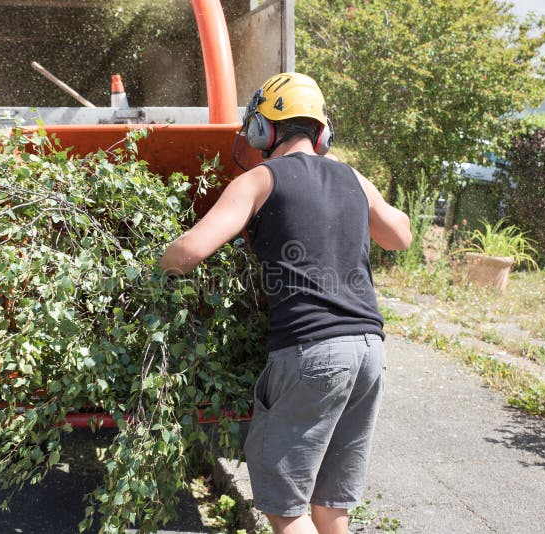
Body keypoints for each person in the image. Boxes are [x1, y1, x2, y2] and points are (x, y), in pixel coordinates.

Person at [159, 72, 411, 534]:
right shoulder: (352, 177)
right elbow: (400, 235)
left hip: (311, 353)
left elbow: (189, 252)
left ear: (263, 130)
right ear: (322, 133)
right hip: (369, 352)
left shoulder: (258, 180)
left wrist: (155, 268)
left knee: (284, 505)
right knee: (331, 503)